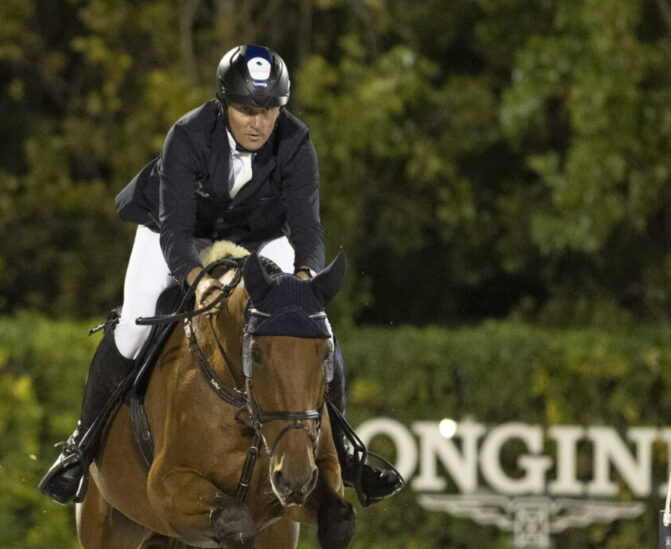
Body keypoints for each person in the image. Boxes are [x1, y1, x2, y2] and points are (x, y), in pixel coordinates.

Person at [39, 44, 403, 506]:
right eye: (247, 109)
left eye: (270, 109)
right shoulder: (188, 136)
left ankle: (348, 455)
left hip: (257, 236)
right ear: (223, 104)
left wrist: (305, 283)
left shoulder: (295, 142)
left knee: (315, 325)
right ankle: (80, 447)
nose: (259, 122)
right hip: (175, 230)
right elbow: (174, 231)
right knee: (133, 325)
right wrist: (197, 280)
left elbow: (308, 228)